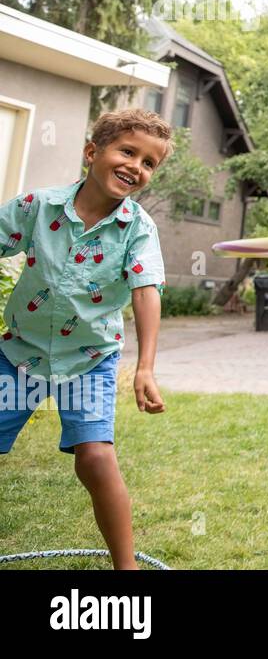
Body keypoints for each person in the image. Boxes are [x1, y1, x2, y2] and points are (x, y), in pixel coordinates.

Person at [0, 108, 170, 570]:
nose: (137, 166)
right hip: (19, 354)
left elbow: (145, 291)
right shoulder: (38, 207)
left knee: (95, 458)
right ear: (93, 152)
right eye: (128, 151)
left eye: (149, 163)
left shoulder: (137, 228)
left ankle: (126, 568)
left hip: (90, 358)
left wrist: (146, 367)